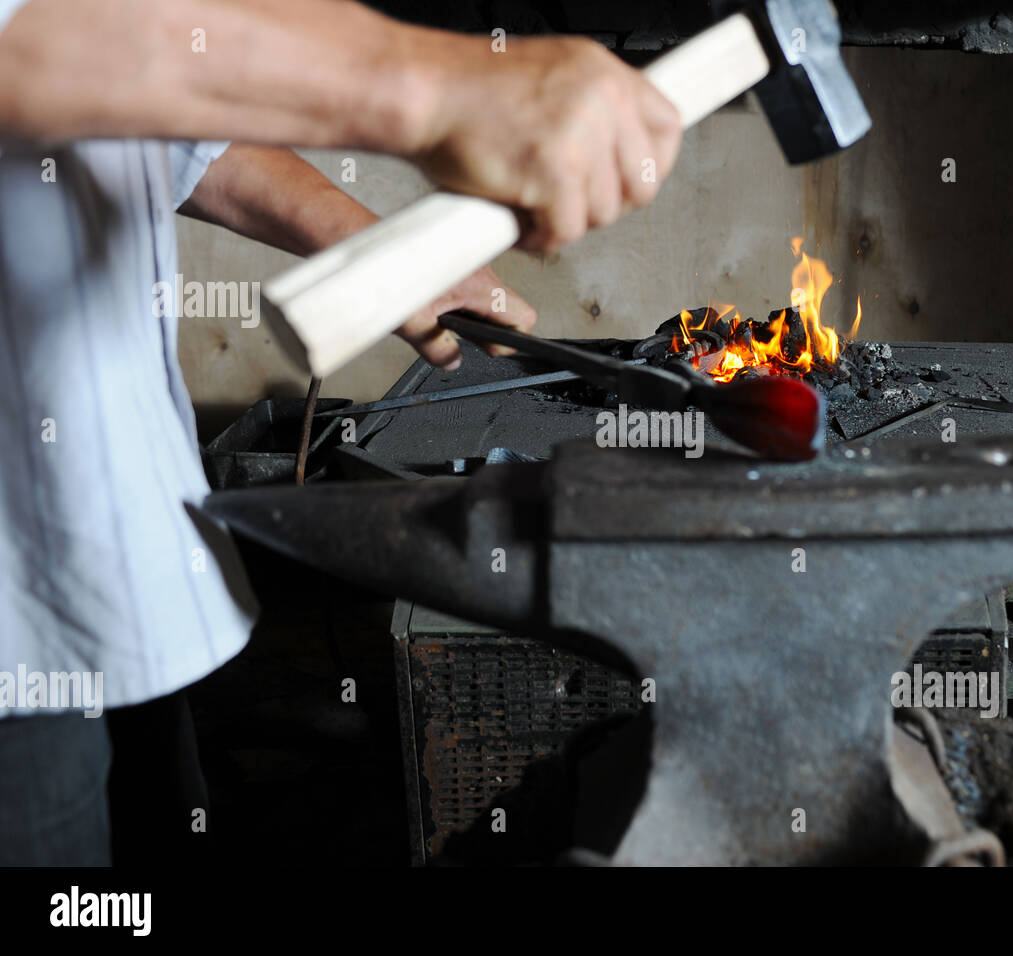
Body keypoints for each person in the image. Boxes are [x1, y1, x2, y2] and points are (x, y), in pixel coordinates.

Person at [0, 0, 682, 864]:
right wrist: (447, 89)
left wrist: (382, 256)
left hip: (106, 546)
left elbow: (166, 133)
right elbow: (35, 48)